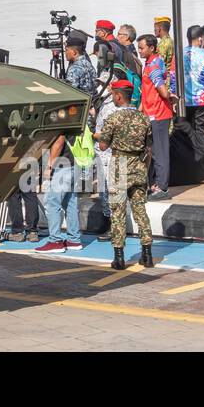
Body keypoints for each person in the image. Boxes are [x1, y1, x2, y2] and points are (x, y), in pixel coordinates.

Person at [97, 79, 154, 270]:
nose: (113, 97)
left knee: (118, 213)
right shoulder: (143, 118)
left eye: (113, 94)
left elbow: (103, 145)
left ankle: (119, 257)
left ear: (118, 96)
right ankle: (147, 254)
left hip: (119, 165)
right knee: (140, 211)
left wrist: (96, 136)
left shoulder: (113, 119)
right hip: (138, 165)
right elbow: (149, 147)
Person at [34, 125, 83, 254]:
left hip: (61, 167)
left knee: (52, 203)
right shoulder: (73, 118)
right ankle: (74, 240)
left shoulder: (59, 119)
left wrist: (49, 166)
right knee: (70, 203)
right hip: (73, 164)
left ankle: (55, 241)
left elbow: (59, 141)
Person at [137, 33, 174, 200]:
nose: (139, 51)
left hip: (158, 113)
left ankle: (162, 188)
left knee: (160, 152)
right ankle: (157, 183)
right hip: (152, 112)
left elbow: (162, 90)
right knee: (154, 150)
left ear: (151, 48)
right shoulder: (154, 61)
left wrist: (169, 95)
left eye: (142, 48)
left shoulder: (152, 67)